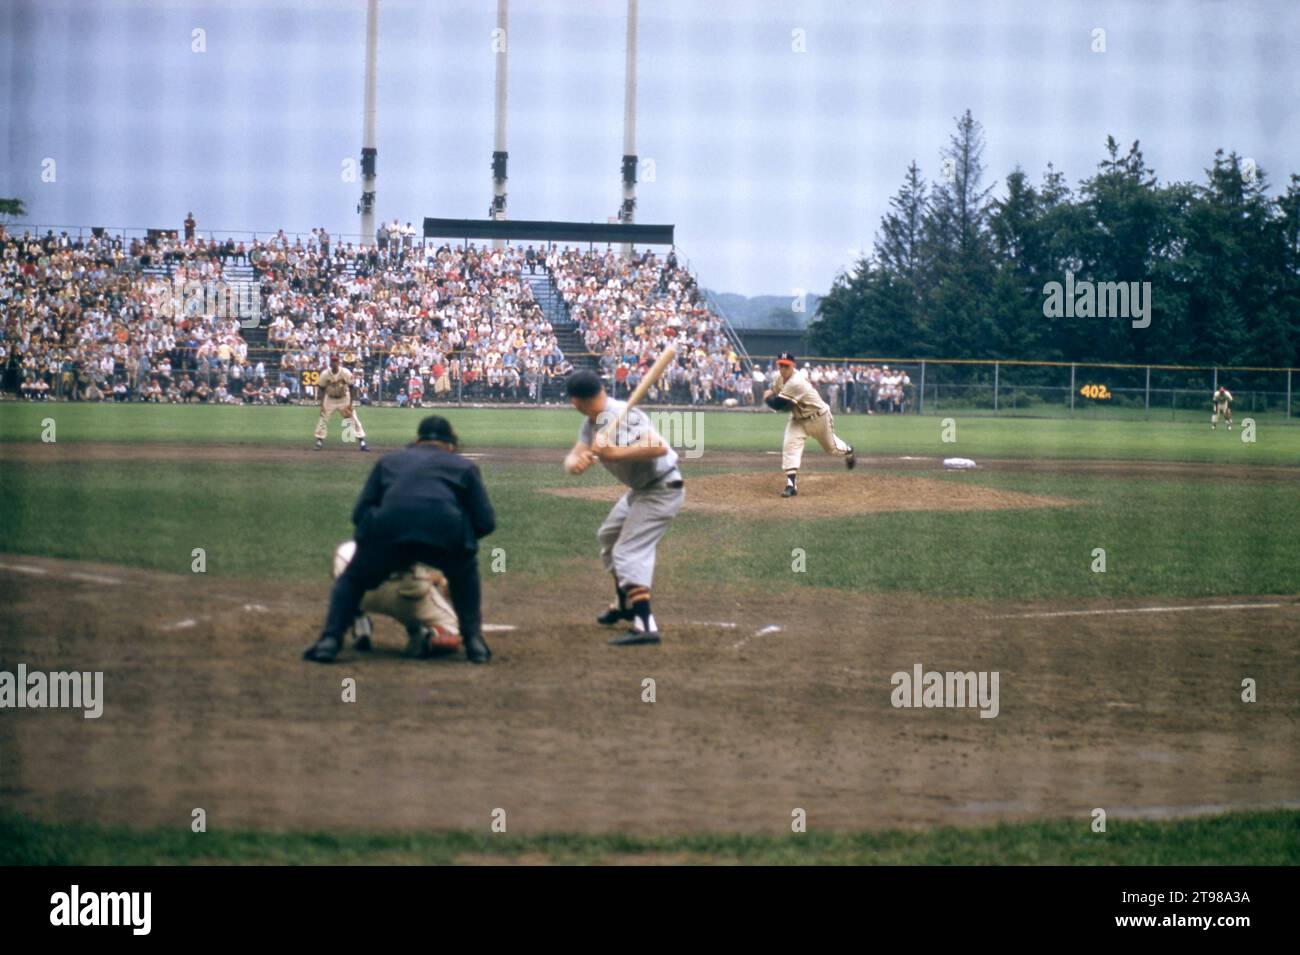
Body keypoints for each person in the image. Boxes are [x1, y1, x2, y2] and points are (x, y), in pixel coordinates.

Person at [304, 416, 495, 664]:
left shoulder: (389, 461)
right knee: (465, 572)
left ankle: (330, 640)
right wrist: (462, 542)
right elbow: (486, 522)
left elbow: (359, 514)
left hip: (388, 528)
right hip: (444, 529)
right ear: (450, 445)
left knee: (352, 579)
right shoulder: (464, 467)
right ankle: (474, 643)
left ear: (417, 441)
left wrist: (373, 542)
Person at [563, 369, 684, 646]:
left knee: (628, 551)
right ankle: (624, 604)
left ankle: (645, 625)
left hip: (661, 489)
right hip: (640, 490)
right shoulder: (593, 421)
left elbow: (658, 447)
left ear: (575, 402)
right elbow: (576, 453)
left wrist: (615, 453)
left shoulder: (623, 414)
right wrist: (575, 464)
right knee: (609, 538)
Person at [764, 352, 855, 497]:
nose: (782, 369)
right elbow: (777, 391)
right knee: (789, 445)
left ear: (793, 366)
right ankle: (790, 485)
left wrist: (767, 397)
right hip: (798, 419)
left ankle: (848, 450)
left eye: (786, 366)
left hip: (818, 418)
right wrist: (772, 393)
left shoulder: (796, 381)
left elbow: (778, 404)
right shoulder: (778, 378)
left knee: (832, 449)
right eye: (780, 365)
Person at [314, 353, 369, 451]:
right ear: (330, 363)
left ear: (339, 362)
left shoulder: (345, 372)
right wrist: (321, 404)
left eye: (336, 361)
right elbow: (321, 389)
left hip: (344, 398)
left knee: (354, 419)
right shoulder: (325, 374)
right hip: (330, 399)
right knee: (323, 418)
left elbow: (352, 388)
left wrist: (350, 405)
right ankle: (319, 441)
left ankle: (362, 442)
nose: (334, 363)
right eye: (333, 361)